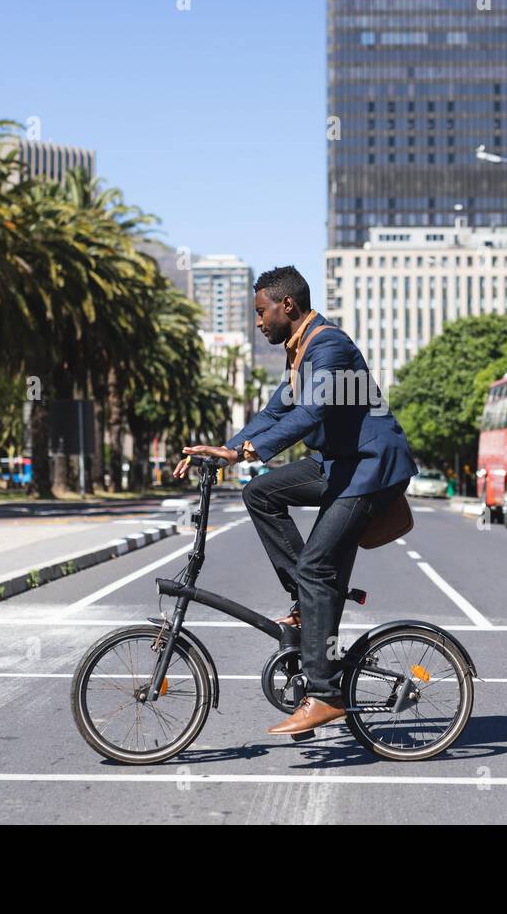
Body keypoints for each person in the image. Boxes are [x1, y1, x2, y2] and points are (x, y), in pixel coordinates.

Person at [174, 265, 417, 735]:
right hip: (339, 465)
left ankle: (324, 695)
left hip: (368, 469)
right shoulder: (301, 350)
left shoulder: (330, 346)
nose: (258, 322)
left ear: (287, 306)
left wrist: (246, 451)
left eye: (261, 311)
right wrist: (228, 451)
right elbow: (275, 412)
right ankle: (308, 603)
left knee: (315, 568)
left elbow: (313, 411)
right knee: (261, 491)